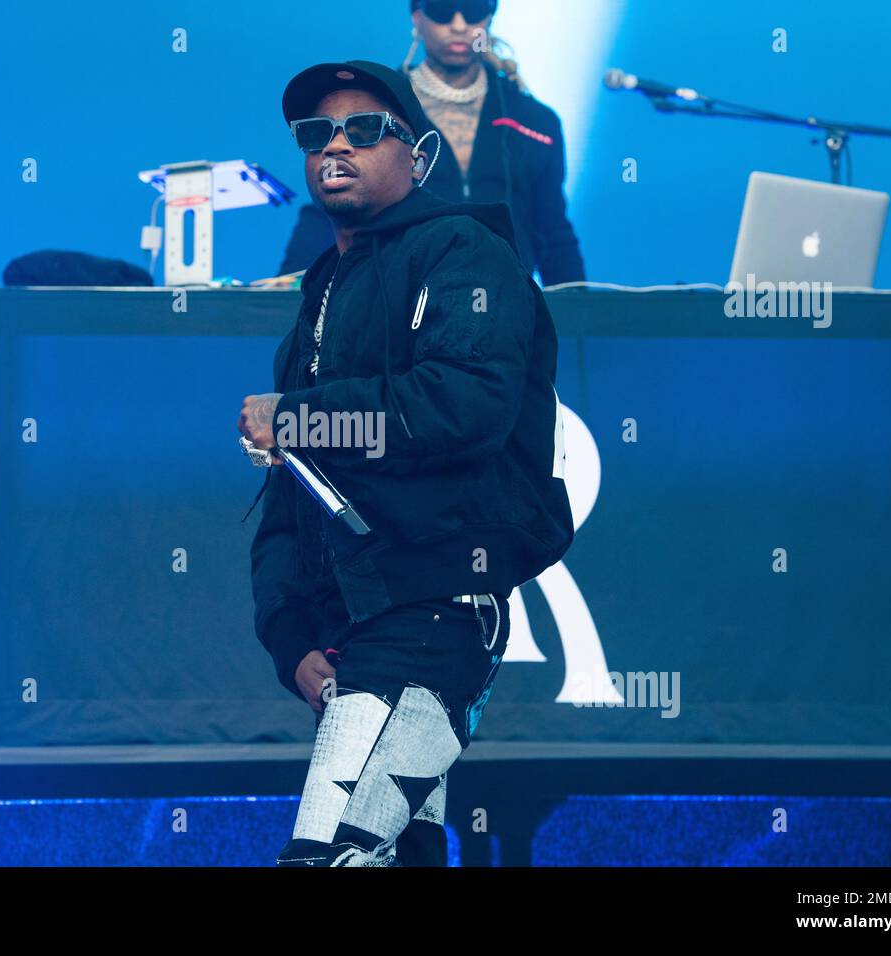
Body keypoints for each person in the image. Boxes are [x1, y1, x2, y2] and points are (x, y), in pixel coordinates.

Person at [239, 59, 574, 866]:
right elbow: (290, 499)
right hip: (348, 628)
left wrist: (300, 417)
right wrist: (290, 643)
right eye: (317, 134)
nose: (336, 147)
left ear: (417, 156)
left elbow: (463, 407)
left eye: (364, 129)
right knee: (399, 857)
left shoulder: (466, 252)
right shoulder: (320, 290)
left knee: (329, 857)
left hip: (433, 606)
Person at [276, 0, 586, 288]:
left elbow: (552, 229)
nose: (459, 24)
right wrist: (283, 292)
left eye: (473, 8)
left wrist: (581, 319)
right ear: (417, 16)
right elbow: (333, 200)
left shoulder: (535, 120)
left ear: (489, 17)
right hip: (394, 309)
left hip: (508, 313)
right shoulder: (374, 109)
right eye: (442, 8)